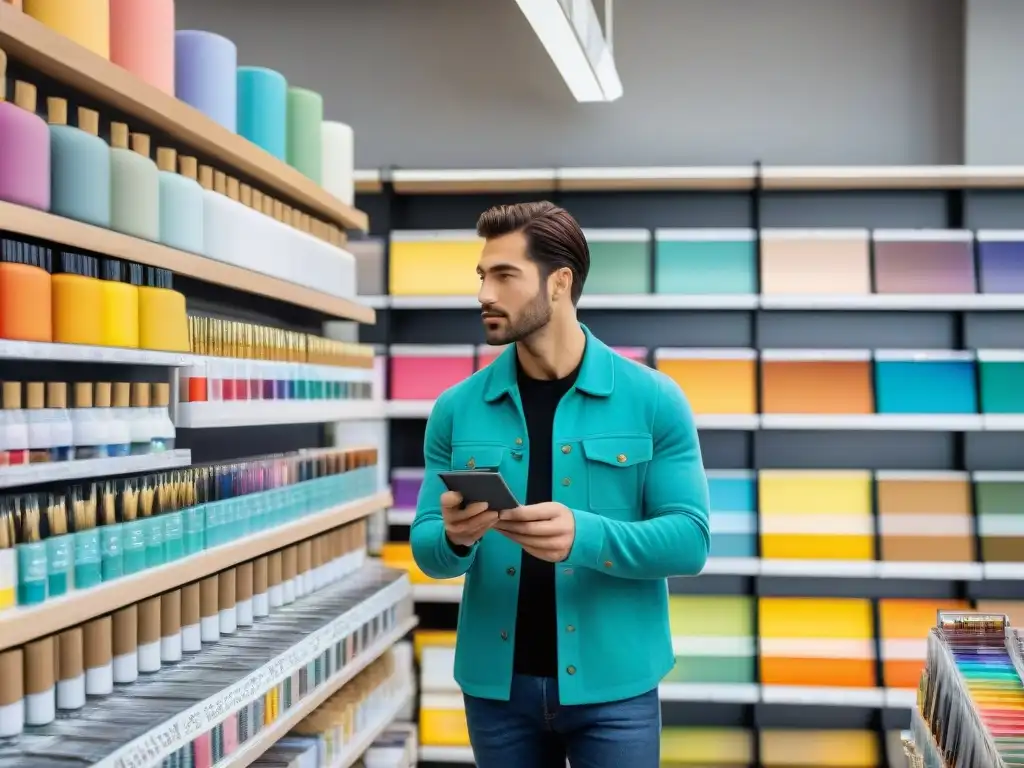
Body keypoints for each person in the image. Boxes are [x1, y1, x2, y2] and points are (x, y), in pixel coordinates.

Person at [410, 201, 710, 768]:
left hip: (616, 691)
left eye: (504, 275)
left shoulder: (654, 399)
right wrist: (454, 538)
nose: (483, 294)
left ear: (559, 283)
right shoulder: (455, 408)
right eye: (482, 275)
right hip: (496, 695)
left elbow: (690, 541)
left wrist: (586, 537)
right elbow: (429, 549)